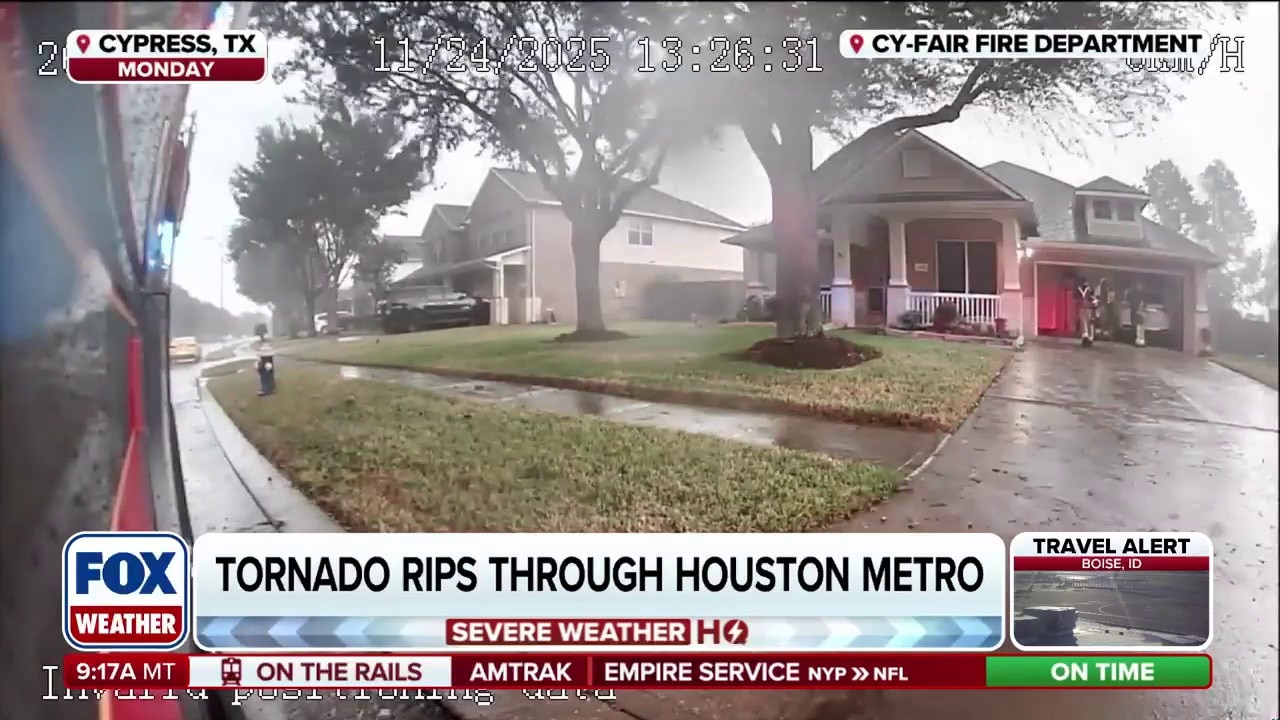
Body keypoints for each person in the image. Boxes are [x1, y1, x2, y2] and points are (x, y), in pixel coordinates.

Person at [1075, 275, 1098, 347]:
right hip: (1084, 308)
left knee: (1088, 323)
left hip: (1088, 308)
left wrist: (1094, 303)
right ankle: (1086, 337)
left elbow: (1092, 298)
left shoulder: (1089, 290)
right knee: (1084, 323)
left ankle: (1089, 338)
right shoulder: (1079, 290)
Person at [254, 330, 276, 395]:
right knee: (267, 373)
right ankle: (269, 389)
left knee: (266, 374)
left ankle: (267, 389)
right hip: (266, 357)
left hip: (265, 357)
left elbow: (259, 353)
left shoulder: (264, 345)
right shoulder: (266, 345)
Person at [1127, 281, 1148, 347]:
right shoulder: (1136, 294)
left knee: (1138, 327)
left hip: (1138, 312)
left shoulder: (1140, 295)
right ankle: (1138, 340)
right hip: (1136, 312)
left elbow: (1144, 303)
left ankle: (1139, 340)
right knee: (1137, 326)